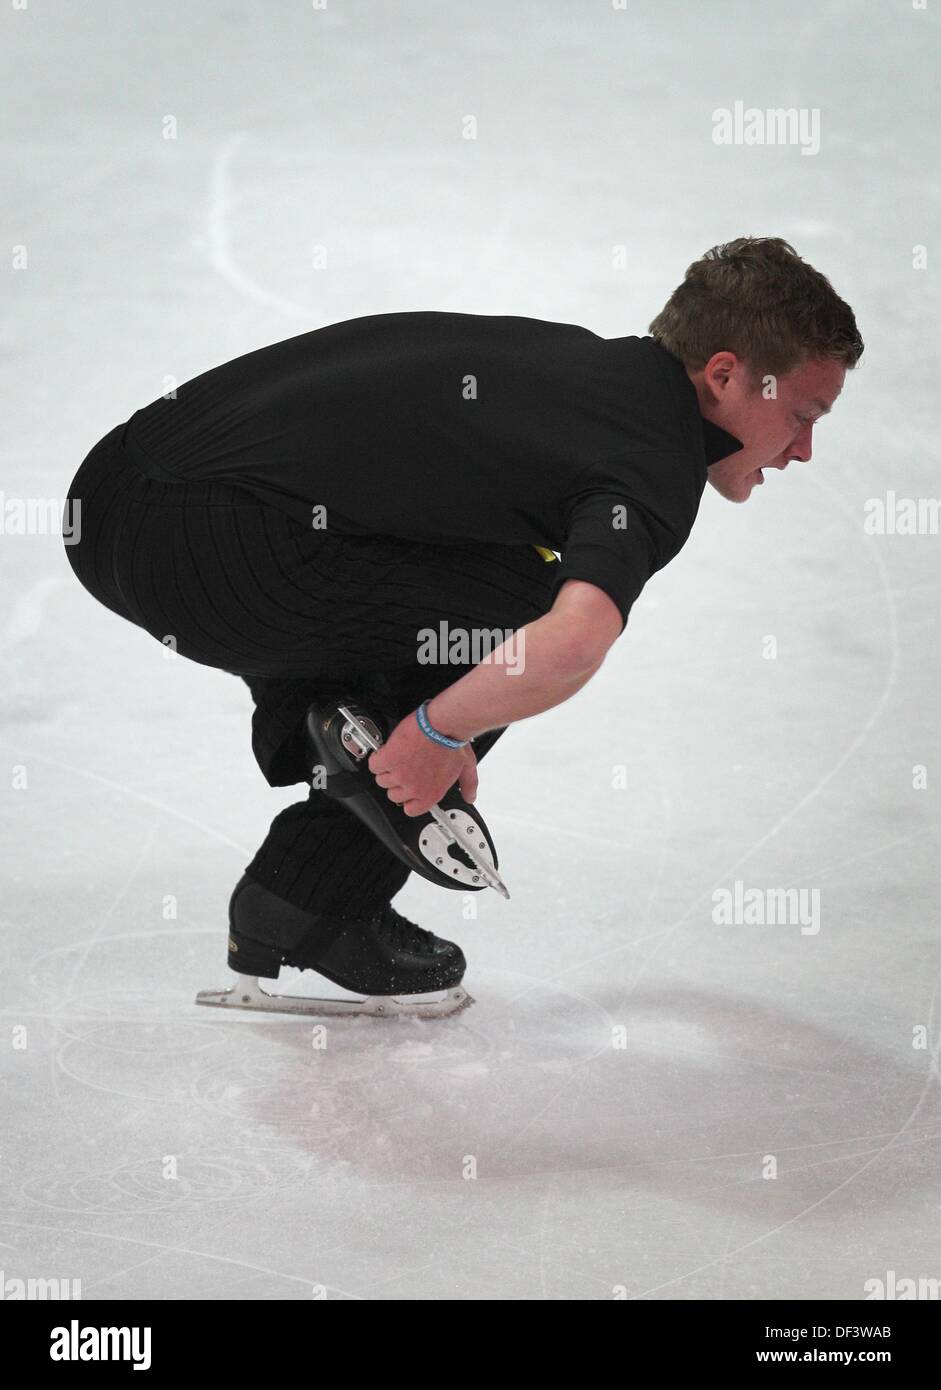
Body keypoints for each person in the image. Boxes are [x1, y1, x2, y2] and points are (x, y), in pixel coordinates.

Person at [62, 235, 863, 1008]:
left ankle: (335, 733)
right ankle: (311, 900)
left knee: (485, 599)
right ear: (724, 375)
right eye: (801, 413)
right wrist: (437, 734)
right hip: (205, 553)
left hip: (115, 491)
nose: (802, 451)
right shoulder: (651, 454)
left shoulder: (584, 370)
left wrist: (439, 703)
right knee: (524, 613)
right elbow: (573, 640)